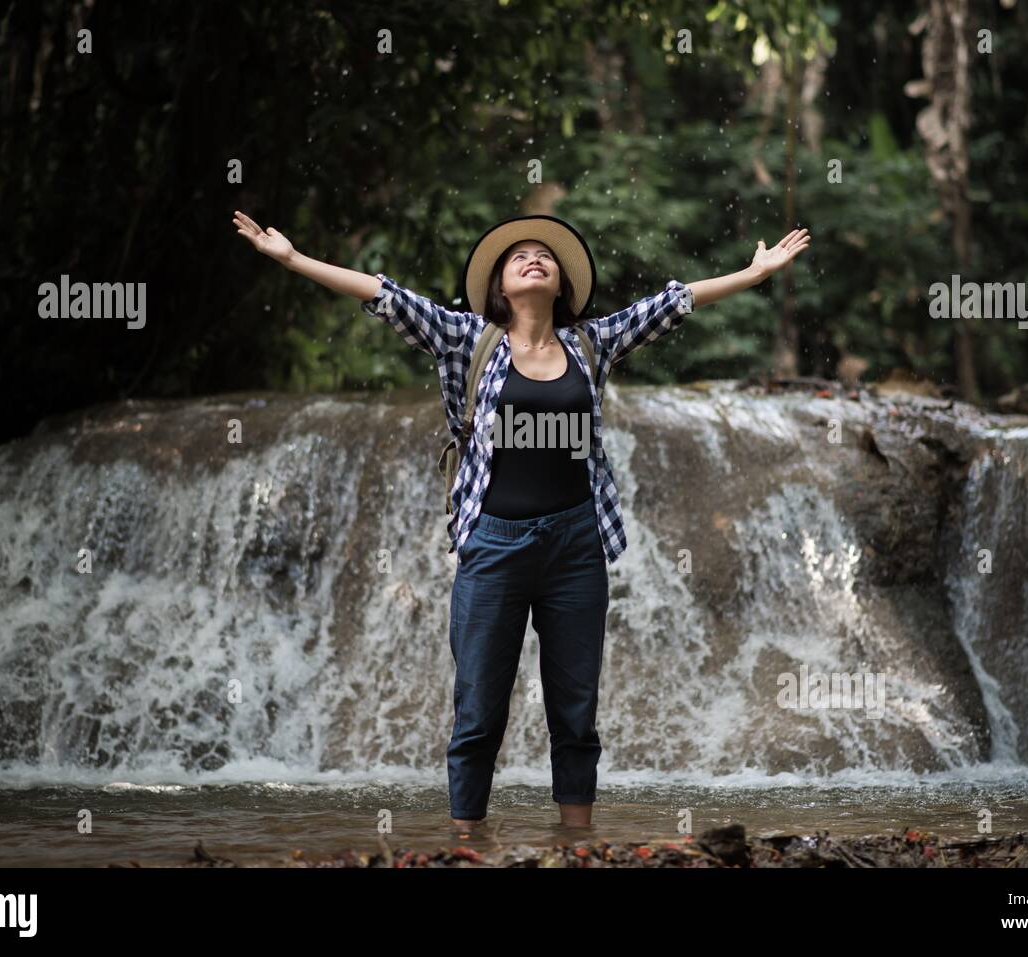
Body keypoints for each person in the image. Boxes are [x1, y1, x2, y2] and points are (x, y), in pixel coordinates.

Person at [232, 210, 809, 829]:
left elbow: (671, 304)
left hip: (576, 545)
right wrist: (293, 260)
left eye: (545, 257)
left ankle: (577, 842)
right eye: (518, 258)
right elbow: (384, 296)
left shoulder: (593, 342)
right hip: (493, 546)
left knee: (576, 712)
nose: (534, 259)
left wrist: (753, 275)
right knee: (478, 710)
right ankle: (465, 842)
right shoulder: (466, 338)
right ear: (500, 287)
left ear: (560, 285)